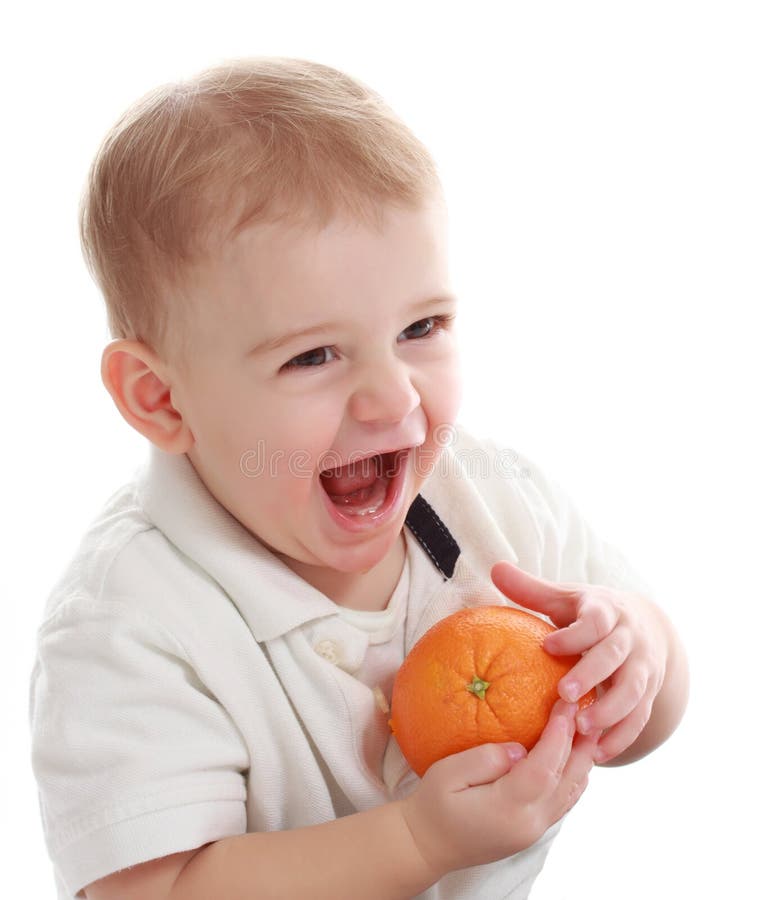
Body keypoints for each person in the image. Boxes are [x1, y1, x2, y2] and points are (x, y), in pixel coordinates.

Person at [28, 57, 689, 900]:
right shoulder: (132, 623)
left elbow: (652, 709)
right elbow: (148, 891)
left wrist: (635, 655)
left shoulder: (493, 501)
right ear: (161, 399)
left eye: (422, 327)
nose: (391, 396)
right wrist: (417, 842)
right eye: (313, 355)